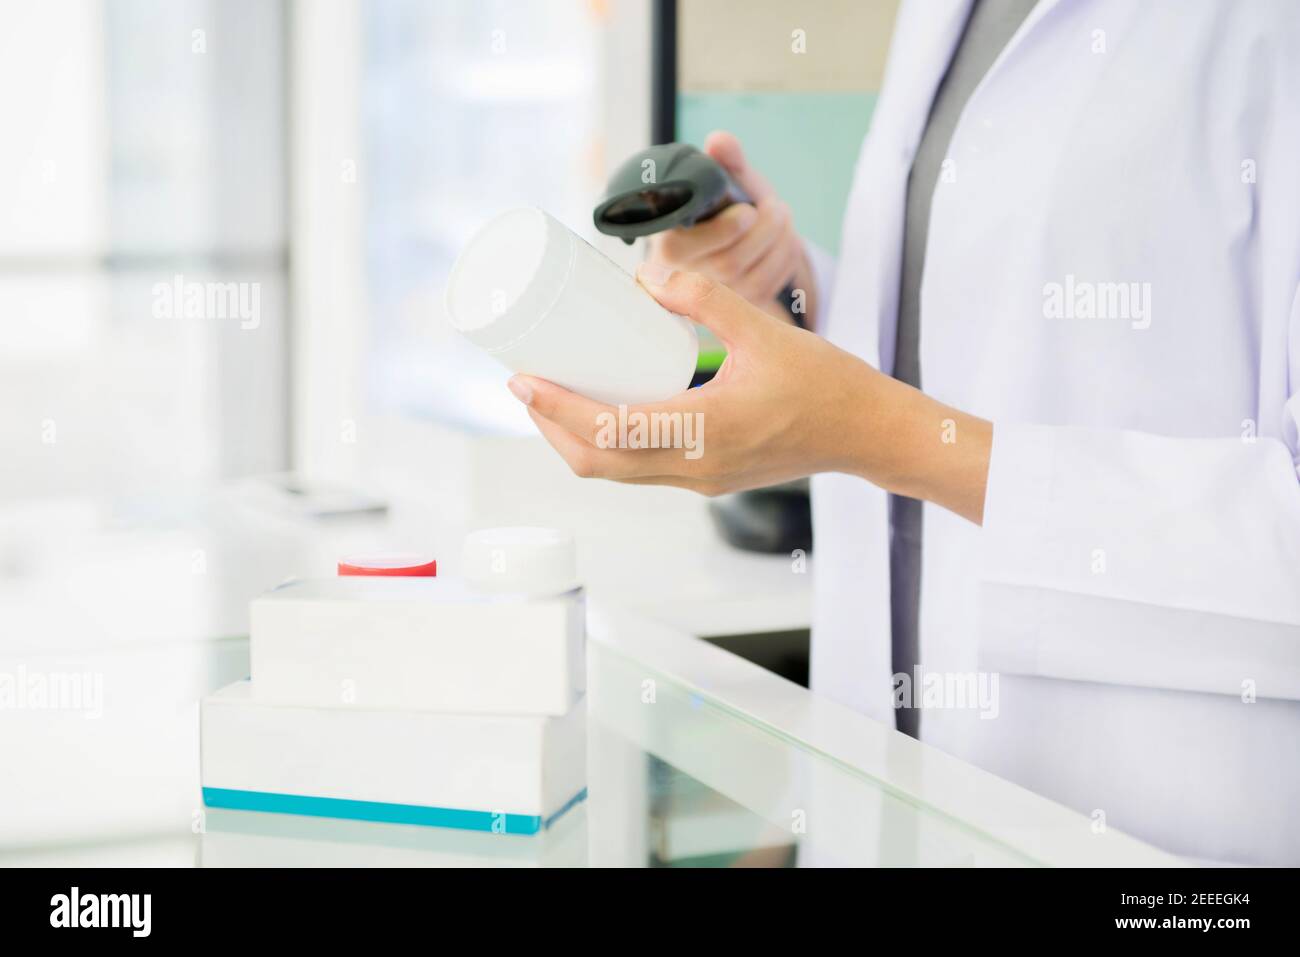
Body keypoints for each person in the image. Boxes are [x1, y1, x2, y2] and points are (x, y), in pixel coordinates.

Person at [505, 0, 1300, 864]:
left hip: (1162, 842)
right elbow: (957, 345)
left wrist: (875, 433)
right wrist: (791, 294)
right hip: (889, 802)